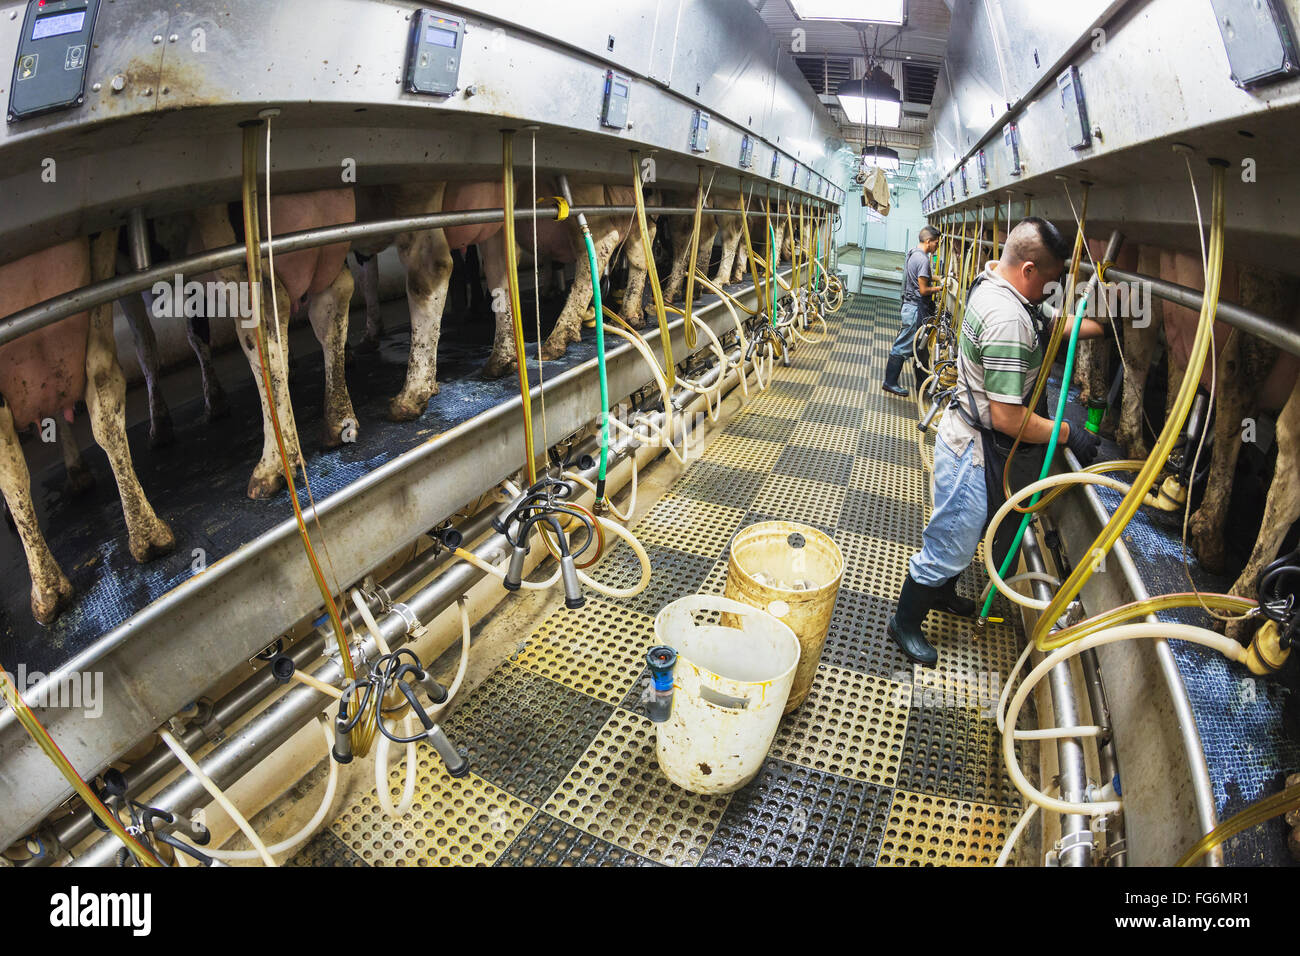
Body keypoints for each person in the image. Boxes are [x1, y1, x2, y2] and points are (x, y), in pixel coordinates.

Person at [888, 218, 1104, 665]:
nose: (1051, 290)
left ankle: (943, 593)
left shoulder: (992, 283)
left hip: (966, 434)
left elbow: (1048, 324)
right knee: (948, 541)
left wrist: (1100, 328)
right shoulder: (1008, 319)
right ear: (1028, 270)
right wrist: (1067, 432)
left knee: (961, 536)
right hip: (973, 448)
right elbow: (1007, 417)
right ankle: (904, 622)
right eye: (1049, 280)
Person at [882, 225, 942, 395]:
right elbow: (923, 290)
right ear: (928, 241)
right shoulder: (923, 259)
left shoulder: (913, 253)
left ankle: (922, 385)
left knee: (921, 349)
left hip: (911, 305)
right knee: (902, 346)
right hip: (916, 309)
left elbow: (921, 277)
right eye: (936, 243)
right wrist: (941, 288)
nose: (937, 247)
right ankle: (889, 382)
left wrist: (937, 278)